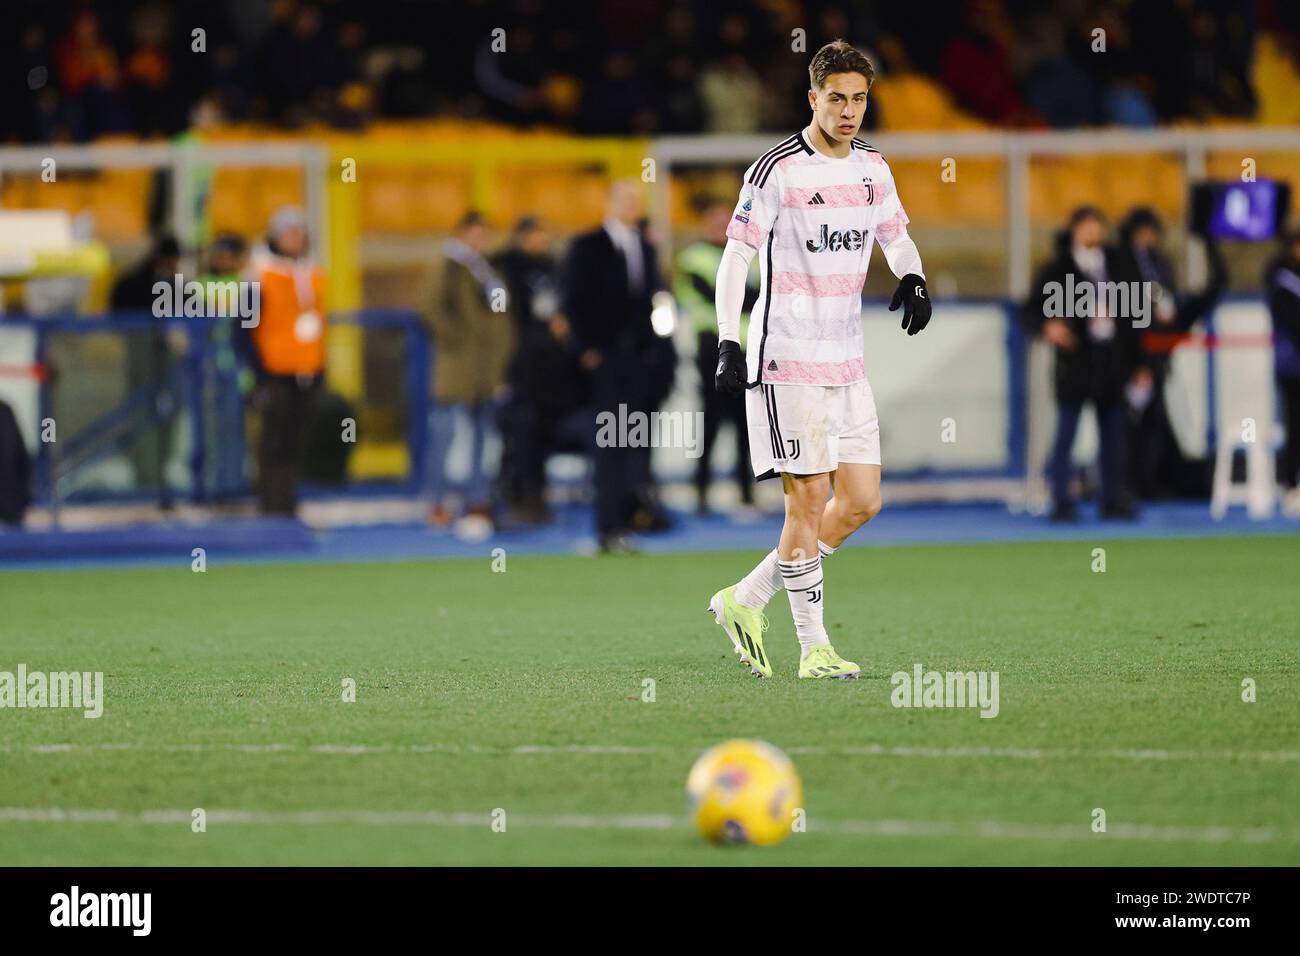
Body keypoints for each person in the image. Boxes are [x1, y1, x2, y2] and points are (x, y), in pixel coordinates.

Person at [707, 40, 932, 680]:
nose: (849, 110)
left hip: (847, 361)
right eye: (837, 98)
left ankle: (745, 599)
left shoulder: (873, 167)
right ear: (814, 98)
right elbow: (735, 256)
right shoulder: (776, 169)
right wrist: (729, 338)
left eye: (860, 99)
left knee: (859, 502)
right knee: (806, 504)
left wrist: (912, 277)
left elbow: (896, 235)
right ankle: (814, 649)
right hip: (787, 357)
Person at [563, 181, 674, 552]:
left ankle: (631, 521)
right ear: (608, 203)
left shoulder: (645, 246)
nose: (632, 206)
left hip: (640, 364)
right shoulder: (587, 247)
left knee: (635, 444)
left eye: (635, 200)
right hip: (606, 364)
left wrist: (655, 354)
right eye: (625, 200)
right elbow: (574, 301)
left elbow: (653, 304)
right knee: (610, 445)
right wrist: (588, 350)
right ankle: (608, 527)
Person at [1025, 207, 1139, 522]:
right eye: (1085, 226)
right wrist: (1048, 326)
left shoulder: (1118, 264)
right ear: (1073, 230)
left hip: (1110, 362)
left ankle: (1113, 498)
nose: (1091, 233)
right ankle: (1062, 501)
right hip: (1076, 362)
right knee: (1066, 436)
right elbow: (1031, 311)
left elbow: (1136, 315)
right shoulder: (1058, 269)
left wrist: (1136, 362)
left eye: (1096, 226)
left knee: (1114, 437)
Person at [1112, 207, 1225, 500]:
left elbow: (1169, 305)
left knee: (1152, 425)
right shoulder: (1122, 264)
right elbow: (1126, 316)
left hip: (1157, 358)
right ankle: (1126, 484)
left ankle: (1144, 484)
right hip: (1133, 359)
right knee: (1131, 424)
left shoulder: (1159, 266)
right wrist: (1137, 362)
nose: (1150, 237)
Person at [494, 216, 588, 524]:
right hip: (523, 377)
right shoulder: (508, 271)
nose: (543, 242)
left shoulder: (554, 270)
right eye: (538, 236)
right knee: (522, 439)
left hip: (554, 381)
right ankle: (522, 500)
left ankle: (535, 501)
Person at [424, 211, 515, 526]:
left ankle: (477, 500)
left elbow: (500, 311)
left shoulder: (485, 269)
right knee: (445, 434)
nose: (480, 240)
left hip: (485, 368)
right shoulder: (450, 266)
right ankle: (435, 502)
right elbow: (430, 306)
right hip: (457, 366)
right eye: (474, 234)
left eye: (483, 234)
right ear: (462, 233)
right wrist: (457, 340)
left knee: (481, 436)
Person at [674, 196, 758, 514]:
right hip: (712, 348)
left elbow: (759, 294)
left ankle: (746, 495)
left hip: (748, 348)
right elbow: (716, 297)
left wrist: (738, 296)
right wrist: (739, 296)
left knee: (745, 425)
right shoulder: (693, 258)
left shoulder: (751, 255)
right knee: (710, 422)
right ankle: (701, 495)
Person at [249, 207, 326, 515]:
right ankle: (271, 505)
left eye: (300, 232)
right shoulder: (260, 276)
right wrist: (259, 373)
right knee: (274, 441)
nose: (296, 239)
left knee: (296, 440)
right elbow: (245, 327)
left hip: (305, 370)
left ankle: (288, 501)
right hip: (274, 371)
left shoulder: (312, 273)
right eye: (289, 233)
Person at [110, 232, 181, 500]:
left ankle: (156, 476)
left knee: (162, 415)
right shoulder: (138, 283)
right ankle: (148, 479)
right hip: (145, 357)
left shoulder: (173, 285)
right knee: (145, 415)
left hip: (165, 363)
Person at [1265, 228, 1300, 514]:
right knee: (1295, 425)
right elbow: (1291, 322)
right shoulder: (1282, 282)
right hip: (1292, 367)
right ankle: (1290, 484)